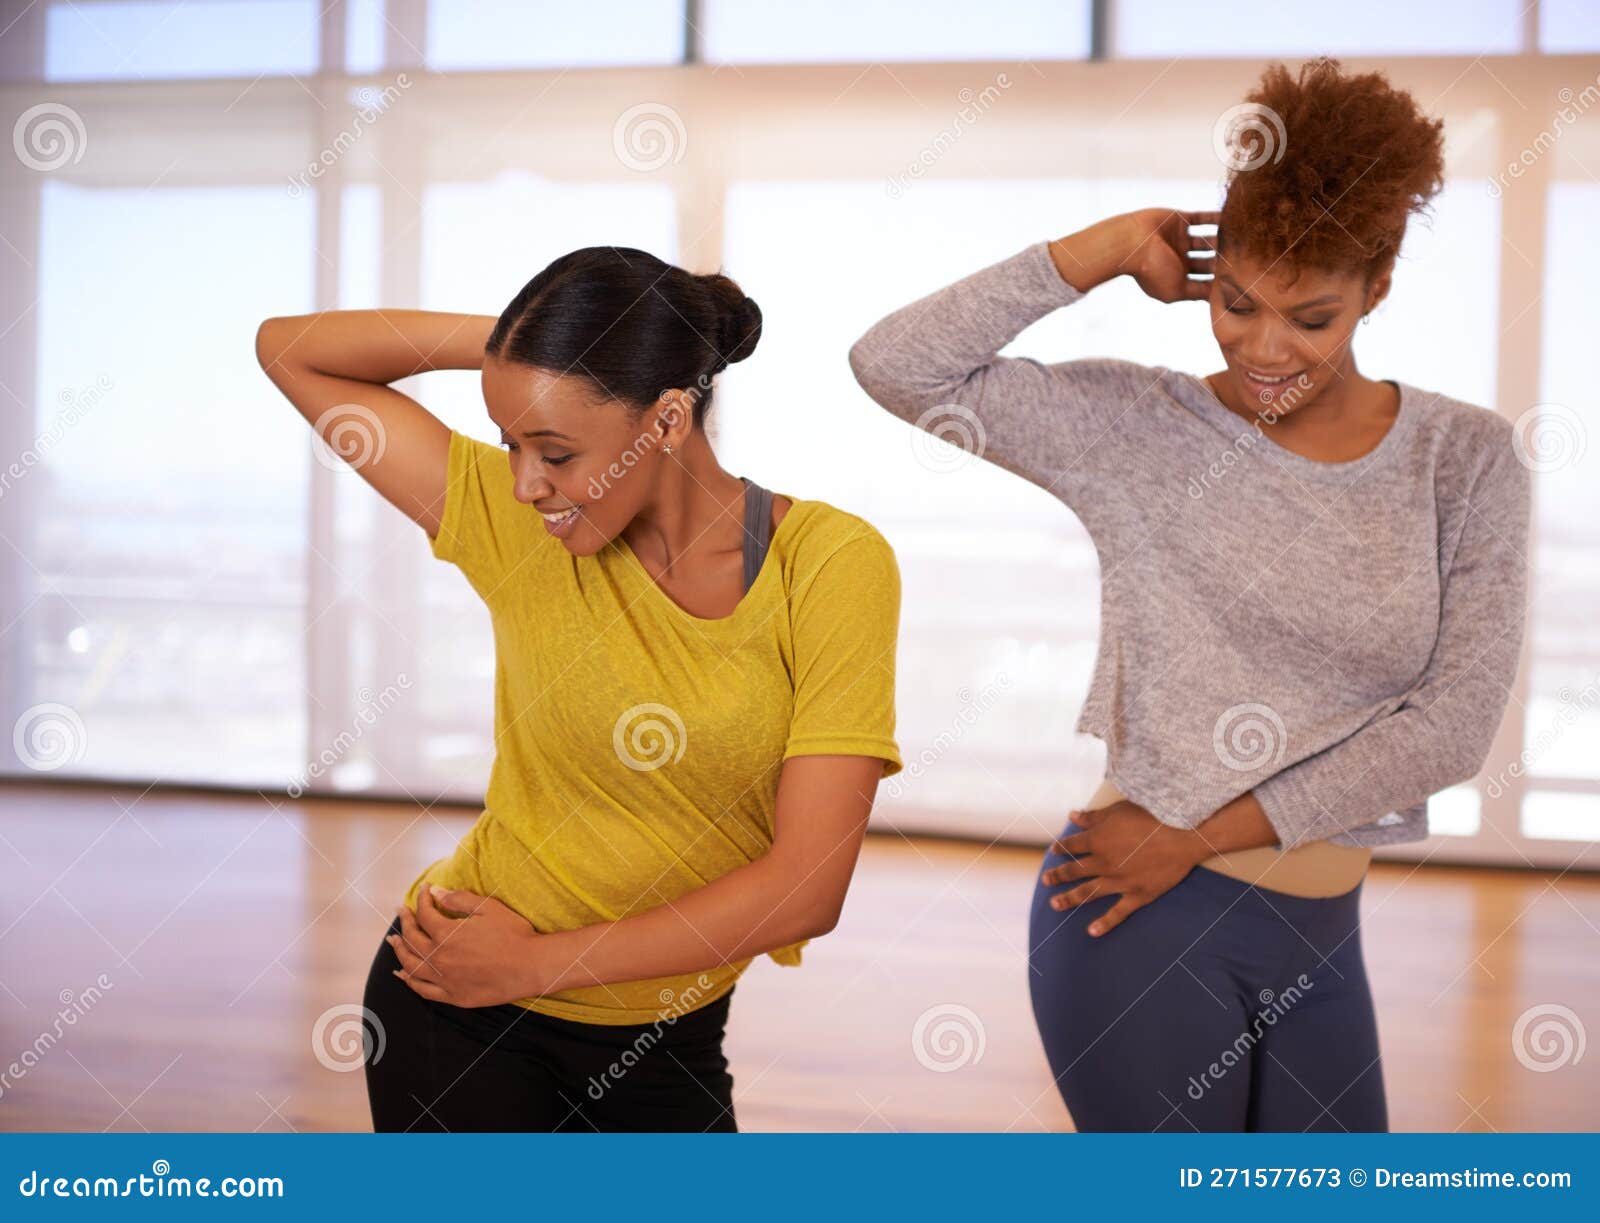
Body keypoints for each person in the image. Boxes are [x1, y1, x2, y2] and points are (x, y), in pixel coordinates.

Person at [848, 58, 1530, 1131]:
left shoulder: (1467, 458)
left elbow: (1452, 728)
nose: (1263, 349)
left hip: (1308, 931)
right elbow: (897, 365)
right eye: (1234, 302)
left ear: (1377, 291)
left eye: (1310, 318)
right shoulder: (1138, 428)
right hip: (1137, 912)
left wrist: (1196, 833)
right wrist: (1096, 252)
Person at [255, 246, 904, 1132]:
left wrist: (532, 963)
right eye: (511, 444)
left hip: (659, 1027)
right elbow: (290, 349)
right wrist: (529, 352)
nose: (526, 484)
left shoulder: (828, 563)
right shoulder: (517, 523)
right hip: (456, 1003)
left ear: (668, 418)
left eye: (555, 450)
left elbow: (806, 888)